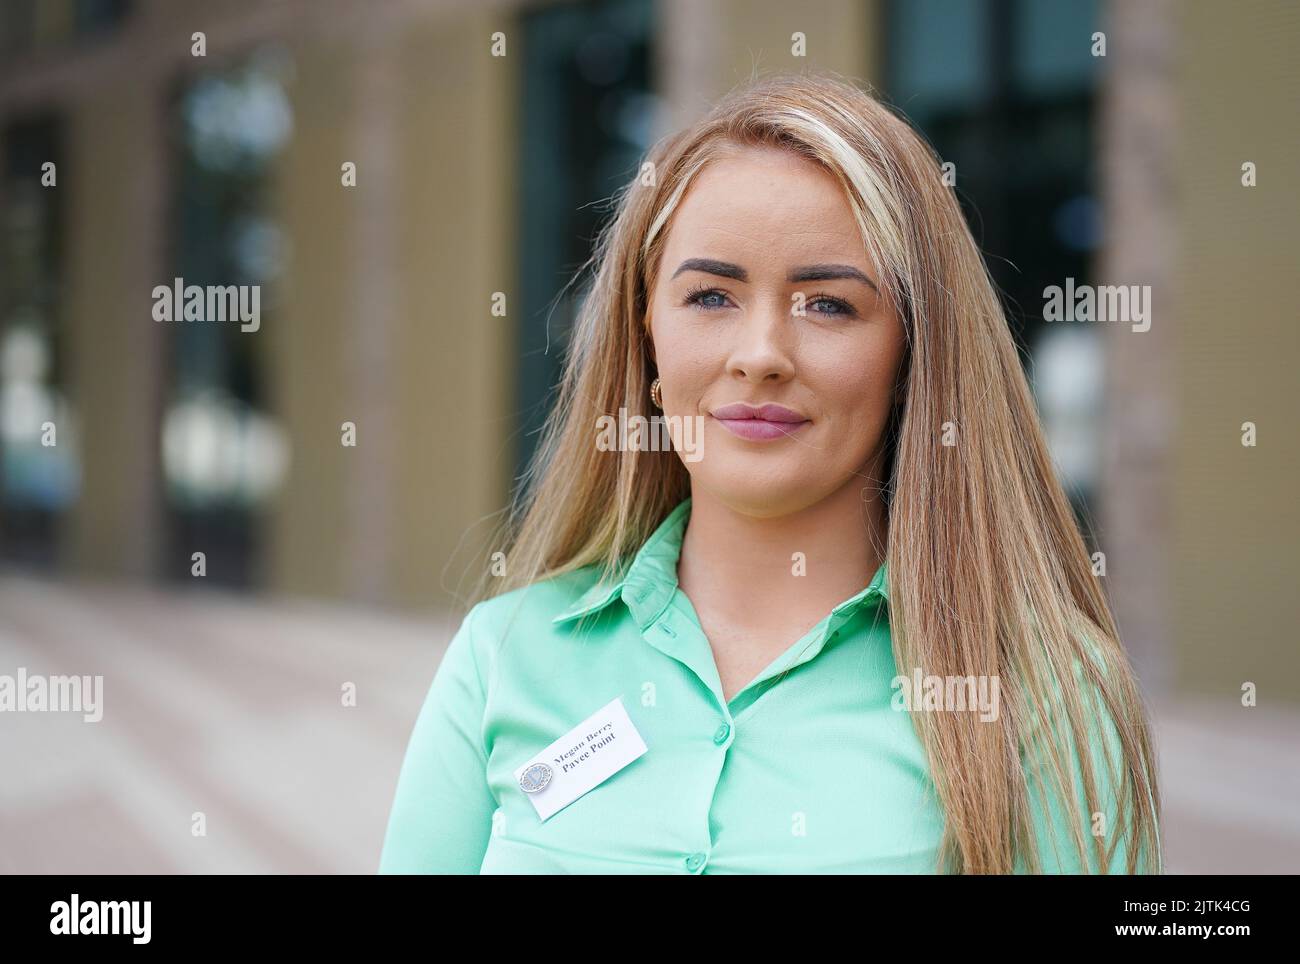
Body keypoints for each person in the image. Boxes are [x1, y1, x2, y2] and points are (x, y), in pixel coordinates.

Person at [378, 71, 1162, 875]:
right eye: (711, 297)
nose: (760, 355)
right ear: (646, 338)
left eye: (828, 304)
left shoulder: (1045, 698)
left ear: (913, 356)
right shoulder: (505, 654)